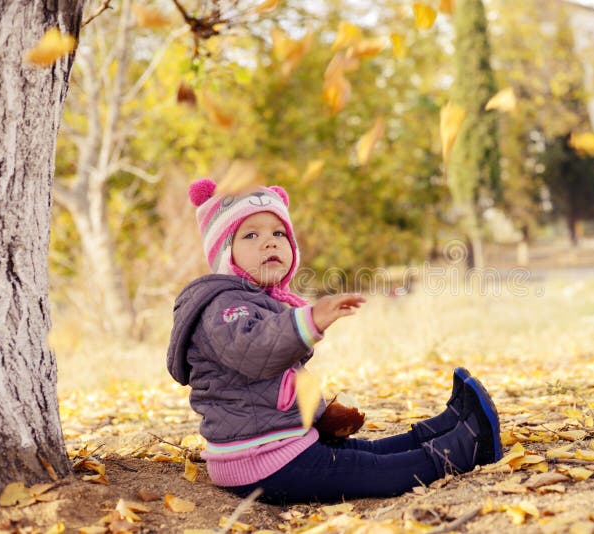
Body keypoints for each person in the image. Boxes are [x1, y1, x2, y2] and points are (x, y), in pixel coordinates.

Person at [167, 179, 503, 503]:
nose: (269, 242)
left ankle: (443, 428)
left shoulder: (252, 301)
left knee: (364, 452)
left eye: (278, 233)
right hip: (258, 461)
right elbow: (256, 352)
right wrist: (308, 320)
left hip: (277, 443)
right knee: (370, 470)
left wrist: (320, 415)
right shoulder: (223, 306)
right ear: (226, 253)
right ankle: (466, 449)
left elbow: (275, 382)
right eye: (250, 234)